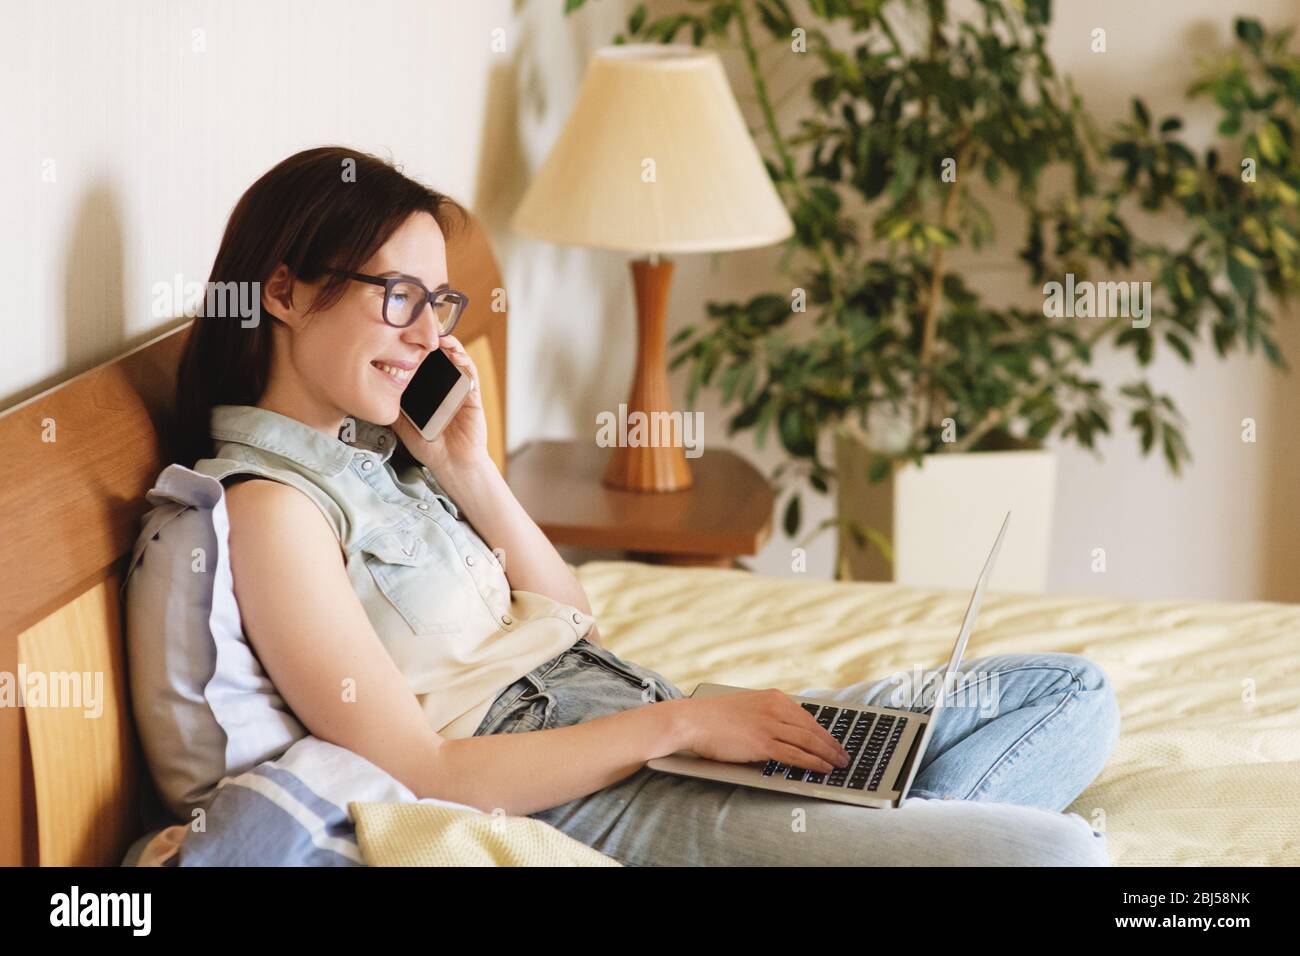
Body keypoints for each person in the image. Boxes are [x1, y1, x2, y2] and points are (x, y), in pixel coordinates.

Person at [165, 146, 1119, 866]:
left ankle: (887, 835)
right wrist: (684, 730)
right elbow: (428, 773)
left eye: (439, 303)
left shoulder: (382, 457)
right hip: (582, 785)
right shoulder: (270, 512)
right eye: (396, 297)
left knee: (1071, 696)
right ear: (283, 292)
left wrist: (471, 472)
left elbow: (574, 617)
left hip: (642, 712)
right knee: (1059, 853)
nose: (425, 334)